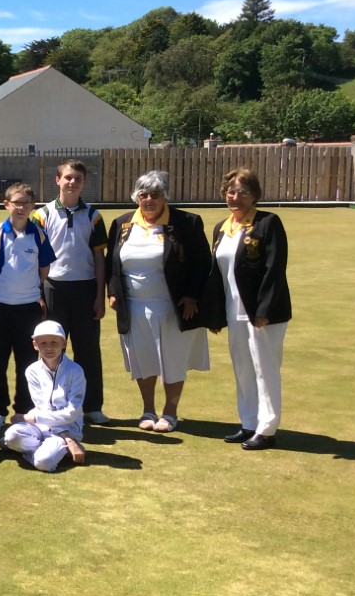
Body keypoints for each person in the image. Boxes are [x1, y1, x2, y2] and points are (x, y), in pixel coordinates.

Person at [106, 170, 211, 433]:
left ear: (165, 196)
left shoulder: (187, 222)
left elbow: (202, 263)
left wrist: (192, 296)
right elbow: (112, 264)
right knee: (143, 360)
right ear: (136, 197)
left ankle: (170, 412)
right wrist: (113, 292)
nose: (149, 199)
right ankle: (148, 410)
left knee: (173, 360)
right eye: (143, 194)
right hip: (134, 306)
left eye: (155, 194)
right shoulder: (122, 224)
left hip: (172, 306)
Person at [204, 168, 292, 451]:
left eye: (243, 192)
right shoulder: (221, 228)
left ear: (255, 195)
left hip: (262, 314)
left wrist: (264, 309)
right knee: (243, 369)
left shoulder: (268, 223)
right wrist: (215, 315)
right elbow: (216, 275)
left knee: (265, 369)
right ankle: (249, 423)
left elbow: (274, 270)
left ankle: (267, 429)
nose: (236, 197)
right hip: (234, 311)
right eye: (231, 192)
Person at [35, 159, 111, 424]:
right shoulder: (42, 215)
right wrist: (39, 294)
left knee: (88, 349)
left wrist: (100, 295)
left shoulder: (93, 215)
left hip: (86, 287)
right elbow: (35, 258)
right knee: (50, 349)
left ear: (83, 182)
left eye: (77, 178)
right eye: (68, 177)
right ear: (57, 180)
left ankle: (92, 406)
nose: (72, 182)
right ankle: (48, 404)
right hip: (53, 287)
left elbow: (100, 258)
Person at [0, 182, 55, 430]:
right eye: (16, 202)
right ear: (6, 204)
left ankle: (23, 408)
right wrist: (3, 289)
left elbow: (44, 269)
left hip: (28, 308)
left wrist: (27, 290)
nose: (20, 207)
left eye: (25, 203)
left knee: (27, 360)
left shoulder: (40, 234)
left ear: (33, 207)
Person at [1, 321, 87, 472]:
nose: (49, 347)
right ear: (35, 345)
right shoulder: (32, 371)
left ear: (64, 343)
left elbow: (72, 413)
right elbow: (42, 406)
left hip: (68, 428)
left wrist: (33, 418)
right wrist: (67, 438)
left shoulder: (76, 371)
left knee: (44, 463)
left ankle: (43, 451)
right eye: (43, 343)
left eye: (54, 342)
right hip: (42, 427)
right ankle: (64, 447)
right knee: (11, 437)